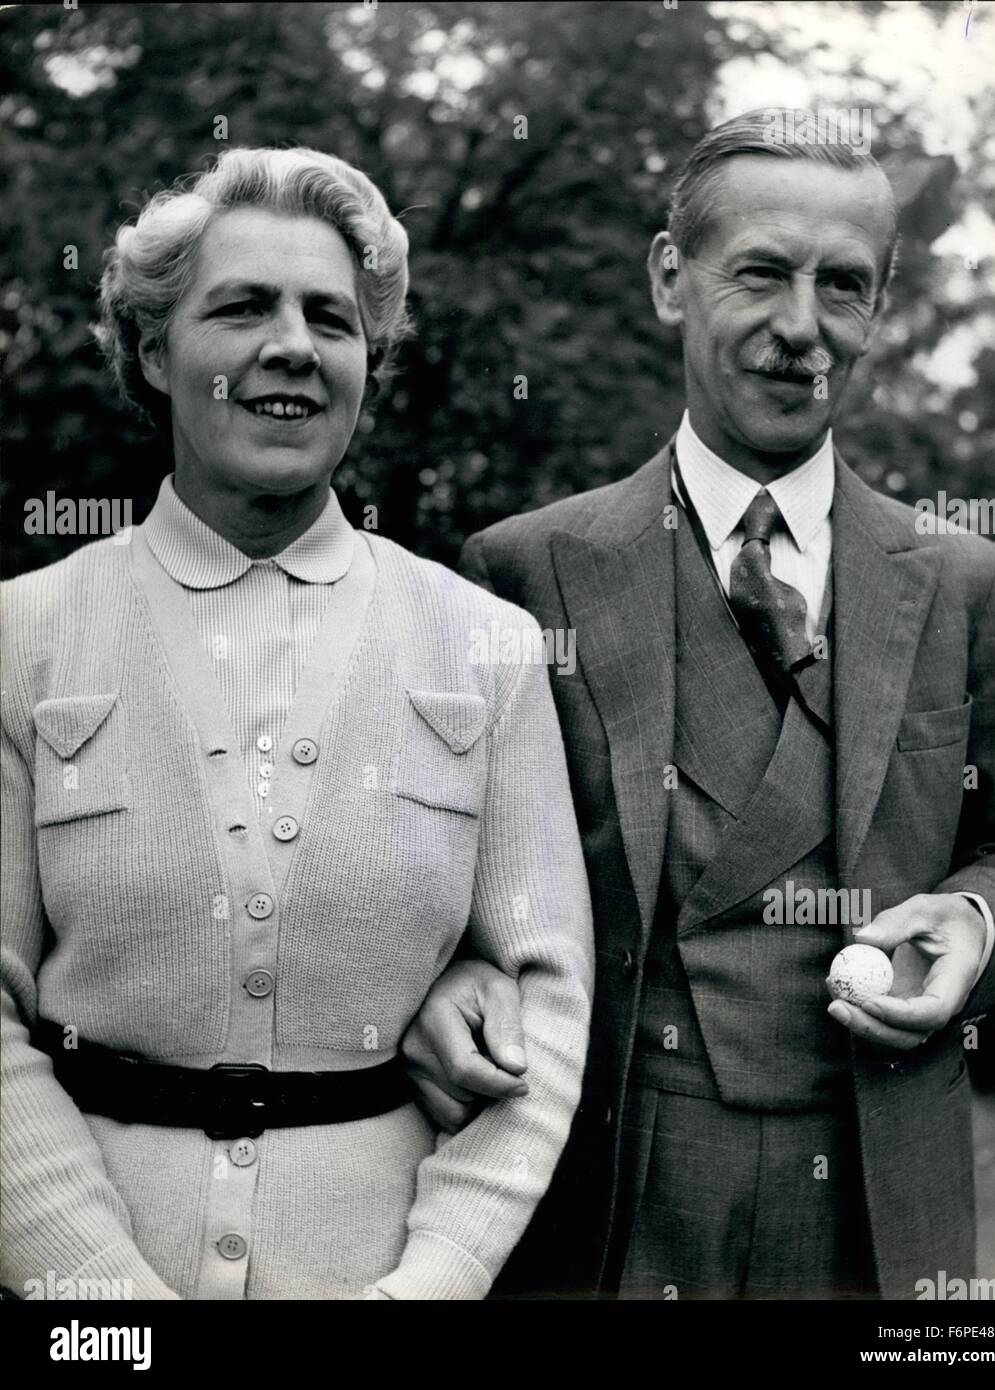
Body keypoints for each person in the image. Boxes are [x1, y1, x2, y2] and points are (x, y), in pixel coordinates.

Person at [402, 109, 995, 1300]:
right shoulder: (523, 569)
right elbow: (444, 882)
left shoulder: (962, 582)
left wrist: (977, 920)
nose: (801, 327)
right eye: (759, 272)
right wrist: (448, 980)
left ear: (877, 313)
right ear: (668, 279)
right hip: (607, 1183)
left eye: (842, 287)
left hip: (872, 1192)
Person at [0, 145, 593, 1300]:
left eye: (332, 316)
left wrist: (430, 1282)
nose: (293, 343)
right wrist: (103, 1298)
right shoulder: (23, 634)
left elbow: (544, 1010)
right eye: (242, 307)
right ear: (154, 349)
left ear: (367, 362)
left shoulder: (486, 643)